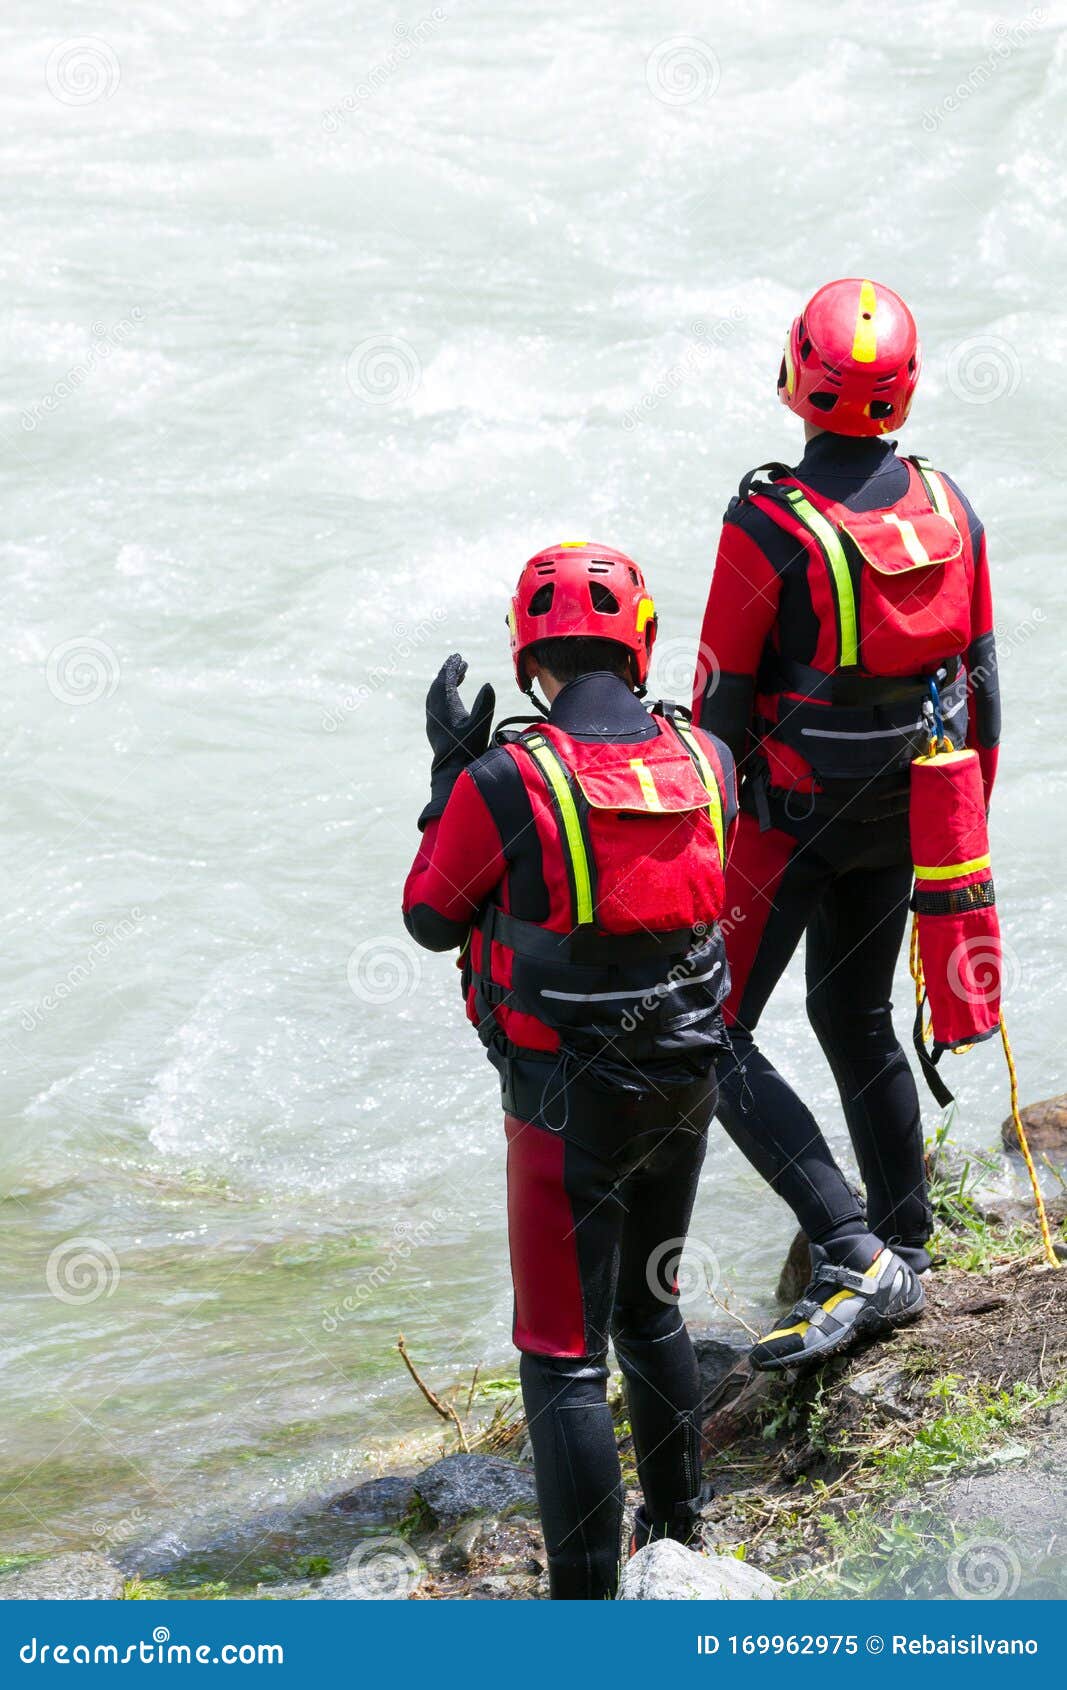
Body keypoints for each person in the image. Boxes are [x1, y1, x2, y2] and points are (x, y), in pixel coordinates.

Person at [403, 542, 737, 1598]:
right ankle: (677, 1533)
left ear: (527, 652)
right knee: (652, 1304)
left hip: (560, 1099)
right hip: (685, 1080)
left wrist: (447, 771)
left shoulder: (509, 776)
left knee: (559, 1351)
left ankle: (584, 1608)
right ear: (639, 642)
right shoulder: (706, 758)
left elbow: (426, 913)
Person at [693, 278, 1001, 1373]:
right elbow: (982, 686)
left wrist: (690, 864)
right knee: (852, 1011)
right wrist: (954, 840)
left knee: (706, 1034)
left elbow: (719, 712)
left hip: (787, 825)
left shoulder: (765, 521)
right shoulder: (946, 504)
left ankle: (850, 1246)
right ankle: (906, 1235)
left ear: (795, 380)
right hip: (912, 813)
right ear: (900, 390)